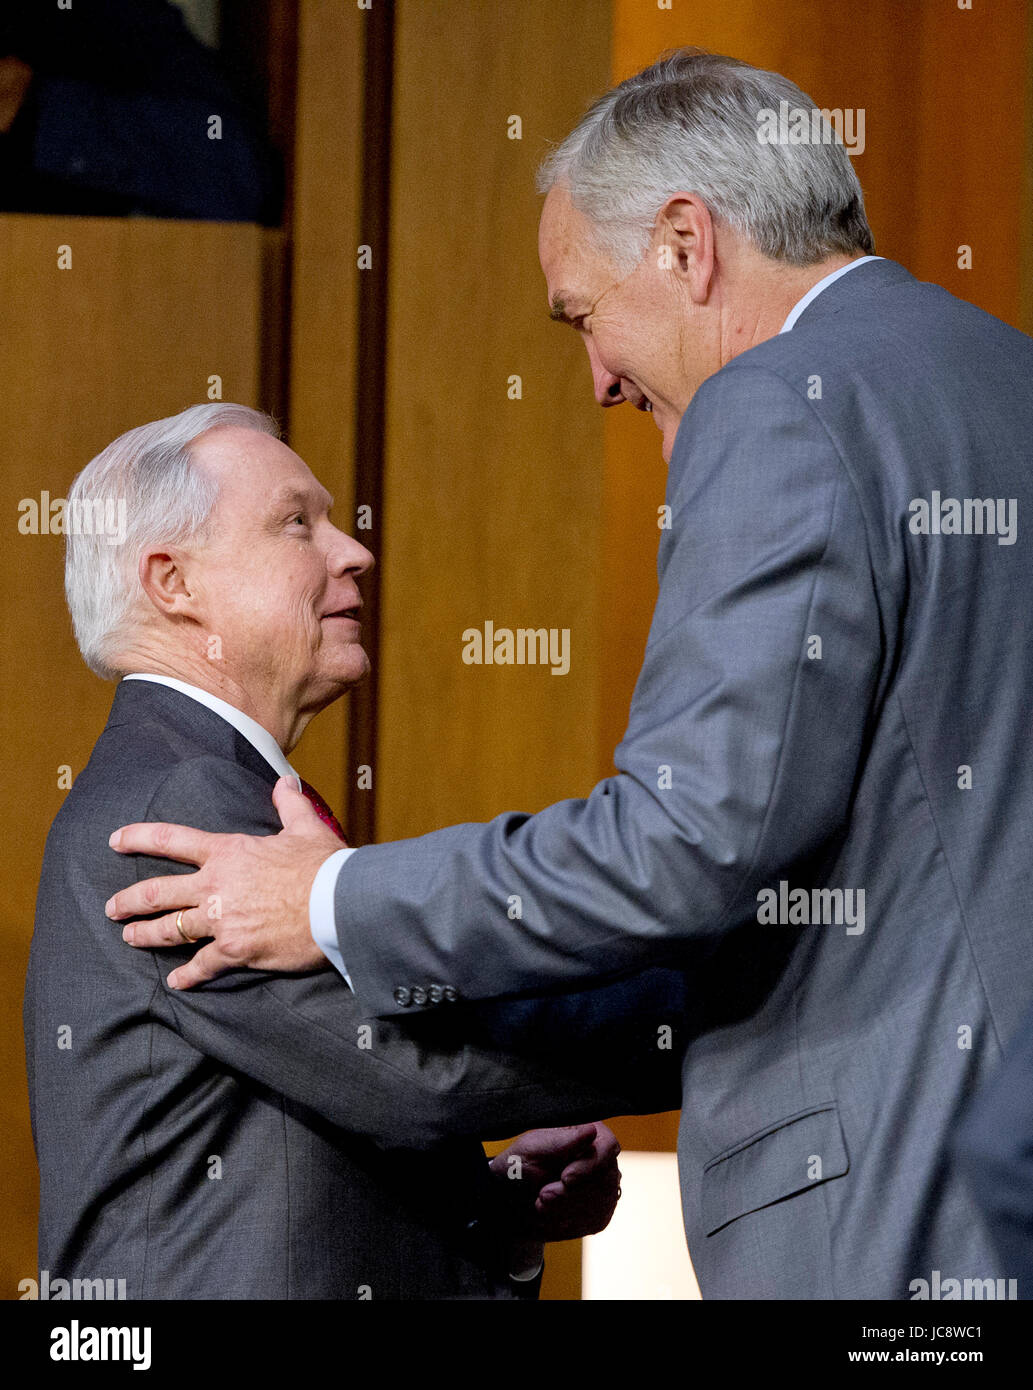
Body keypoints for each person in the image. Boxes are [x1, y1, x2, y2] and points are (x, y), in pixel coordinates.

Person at [106, 50, 1033, 1299]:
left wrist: (335, 899)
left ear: (687, 245)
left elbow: (685, 841)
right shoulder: (999, 375)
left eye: (582, 316)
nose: (595, 376)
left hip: (894, 1210)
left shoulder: (776, 405)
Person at [26, 403, 684, 1301]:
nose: (353, 551)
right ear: (172, 582)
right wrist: (734, 1015)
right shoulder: (177, 805)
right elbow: (419, 1075)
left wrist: (497, 1216)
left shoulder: (210, 787)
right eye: (298, 522)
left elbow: (328, 1103)